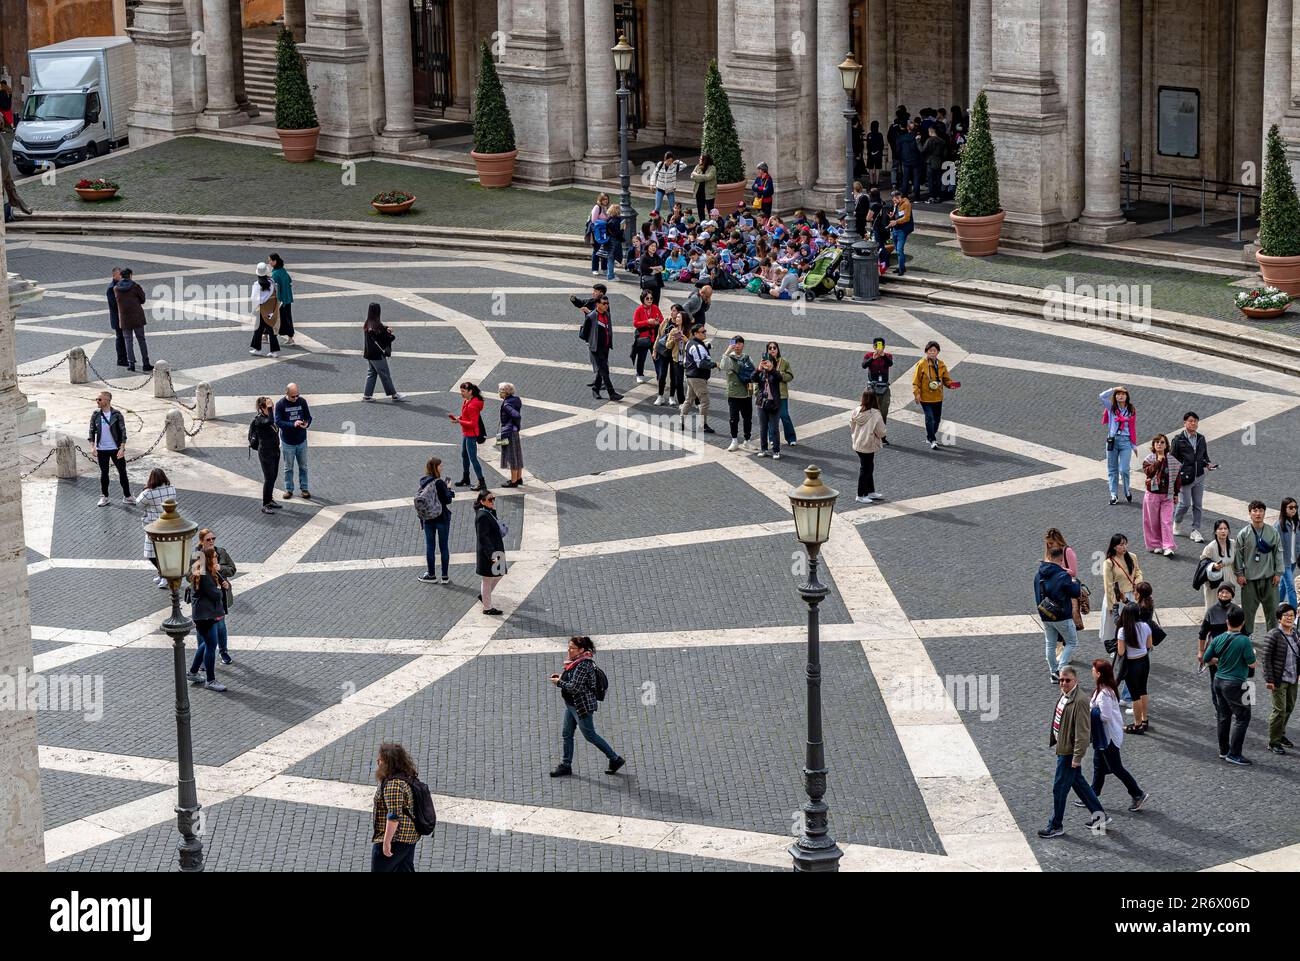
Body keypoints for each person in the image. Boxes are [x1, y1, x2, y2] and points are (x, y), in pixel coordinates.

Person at [1038, 667, 1108, 838]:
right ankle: (1100, 817)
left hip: (1069, 753)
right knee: (1080, 785)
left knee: (1059, 788)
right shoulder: (1065, 695)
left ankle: (1056, 825)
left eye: (1067, 680)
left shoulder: (1080, 701)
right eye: (1061, 680)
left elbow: (1083, 733)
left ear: (1075, 680)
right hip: (1064, 748)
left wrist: (1077, 757)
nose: (1063, 683)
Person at [549, 636, 625, 777]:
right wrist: (561, 677)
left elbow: (575, 687)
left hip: (581, 706)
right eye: (569, 647)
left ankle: (615, 759)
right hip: (571, 704)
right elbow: (573, 679)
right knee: (567, 734)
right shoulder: (574, 662)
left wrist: (558, 682)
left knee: (590, 735)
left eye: (572, 648)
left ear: (581, 650)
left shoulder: (584, 664)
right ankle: (566, 765)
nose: (569, 650)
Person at [1083, 659, 1149, 812]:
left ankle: (1137, 793)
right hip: (1104, 736)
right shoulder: (1102, 690)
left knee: (1116, 767)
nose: (1091, 671)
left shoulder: (1104, 693)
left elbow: (1105, 716)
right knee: (1098, 765)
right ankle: (1092, 795)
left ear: (1099, 674)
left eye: (1093, 670)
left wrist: (1090, 713)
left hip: (1109, 737)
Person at [1202, 605, 1257, 764]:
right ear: (1243, 622)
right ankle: (1234, 753)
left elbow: (1206, 658)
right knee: (1243, 718)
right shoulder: (1244, 641)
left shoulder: (1218, 639)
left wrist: (1219, 660)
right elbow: (1252, 664)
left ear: (1227, 622)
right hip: (1236, 683)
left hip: (1218, 681)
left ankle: (1223, 750)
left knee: (1223, 716)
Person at [1235, 500, 1283, 636]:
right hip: (1249, 580)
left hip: (1270, 579)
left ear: (1264, 513)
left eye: (1261, 511)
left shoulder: (1272, 532)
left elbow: (1279, 552)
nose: (1258, 514)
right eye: (1255, 511)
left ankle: (1272, 639)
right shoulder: (1243, 534)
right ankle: (1246, 639)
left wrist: (1278, 573)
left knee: (1273, 612)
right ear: (1250, 513)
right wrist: (1239, 574)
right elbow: (1238, 555)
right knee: (1247, 613)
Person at [371, 742, 421, 872]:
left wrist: (386, 843)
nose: (378, 762)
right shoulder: (405, 776)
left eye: (380, 759)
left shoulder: (393, 786)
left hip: (397, 839)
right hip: (409, 836)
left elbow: (393, 817)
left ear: (388, 763)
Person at [1036, 545, 1082, 683]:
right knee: (1072, 642)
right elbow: (1075, 592)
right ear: (1061, 559)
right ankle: (1062, 669)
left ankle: (1053, 672)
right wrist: (1075, 583)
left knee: (1050, 644)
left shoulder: (1038, 574)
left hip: (1045, 614)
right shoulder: (1063, 575)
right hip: (1062, 615)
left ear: (1048, 557)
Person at [184, 546, 228, 692]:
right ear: (209, 559)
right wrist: (222, 588)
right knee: (210, 646)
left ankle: (193, 672)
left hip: (203, 616)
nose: (217, 558)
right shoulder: (206, 576)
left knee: (206, 643)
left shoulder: (201, 573)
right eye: (215, 556)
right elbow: (215, 595)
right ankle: (210, 680)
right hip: (207, 616)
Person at [190, 527, 235, 665]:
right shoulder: (197, 556)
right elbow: (189, 576)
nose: (211, 541)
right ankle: (202, 658)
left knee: (221, 626)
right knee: (202, 631)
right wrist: (204, 575)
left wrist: (220, 568)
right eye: (208, 539)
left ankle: (223, 651)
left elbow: (232, 569)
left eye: (213, 539)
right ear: (201, 541)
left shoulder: (221, 552)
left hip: (219, 597)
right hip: (205, 599)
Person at [1171, 411, 1216, 542]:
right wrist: (1175, 478)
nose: (1193, 423)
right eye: (1190, 421)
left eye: (1195, 421)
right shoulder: (1178, 440)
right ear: (1184, 423)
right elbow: (1173, 460)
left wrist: (1208, 464)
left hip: (1199, 476)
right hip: (1185, 478)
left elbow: (1204, 456)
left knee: (1198, 505)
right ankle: (1177, 521)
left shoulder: (1201, 438)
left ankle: (1195, 530)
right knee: (1185, 504)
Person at [1261, 602, 1300, 755]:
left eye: (1292, 615)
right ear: (1279, 618)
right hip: (1279, 679)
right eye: (1286, 615)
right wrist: (1269, 680)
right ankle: (1273, 741)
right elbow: (1266, 658)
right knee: (1279, 710)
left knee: (1289, 708)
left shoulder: (1295, 632)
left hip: (1293, 678)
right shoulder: (1274, 635)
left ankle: (1281, 734)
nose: (1289, 618)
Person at [1100, 533, 1144, 652]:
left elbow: (1138, 572)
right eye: (1121, 544)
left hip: (1131, 596)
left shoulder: (1132, 557)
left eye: (1125, 544)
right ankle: (1114, 648)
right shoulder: (1109, 563)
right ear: (1114, 546)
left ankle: (1129, 645)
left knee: (1131, 623)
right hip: (1117, 598)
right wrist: (1111, 605)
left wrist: (1138, 582)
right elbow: (1108, 585)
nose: (1124, 547)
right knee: (1115, 624)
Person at [910, 340, 957, 449]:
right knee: (929, 418)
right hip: (925, 397)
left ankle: (930, 435)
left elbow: (946, 379)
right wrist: (916, 394)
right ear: (926, 352)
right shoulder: (922, 364)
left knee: (937, 419)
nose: (932, 352)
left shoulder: (941, 364)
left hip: (937, 397)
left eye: (934, 351)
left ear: (938, 352)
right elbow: (916, 381)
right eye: (930, 351)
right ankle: (932, 440)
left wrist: (951, 385)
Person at [135, 469, 178, 588]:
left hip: (153, 526)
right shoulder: (172, 489)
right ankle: (162, 574)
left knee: (151, 553)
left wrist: (145, 489)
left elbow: (138, 503)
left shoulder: (149, 493)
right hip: (169, 524)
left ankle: (165, 575)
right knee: (164, 552)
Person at [1140, 433, 1181, 556]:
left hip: (1167, 495)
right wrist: (1158, 461)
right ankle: (1156, 544)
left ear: (1166, 445)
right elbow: (1149, 472)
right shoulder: (1149, 460)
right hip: (1152, 494)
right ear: (1153, 445)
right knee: (1153, 521)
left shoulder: (1173, 461)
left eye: (1162, 442)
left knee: (1167, 521)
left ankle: (1168, 546)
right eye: (1157, 442)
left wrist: (1176, 493)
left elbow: (1177, 478)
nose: (1159, 444)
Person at [89, 391, 131, 507]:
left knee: (122, 472)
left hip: (115, 449)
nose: (97, 401)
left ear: (107, 400)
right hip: (102, 449)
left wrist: (122, 448)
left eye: (100, 399)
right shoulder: (95, 414)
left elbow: (123, 432)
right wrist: (93, 447)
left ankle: (127, 496)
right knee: (104, 473)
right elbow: (91, 431)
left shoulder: (117, 414)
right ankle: (104, 496)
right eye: (96, 399)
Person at [1114, 602, 1152, 734]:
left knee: (1135, 695)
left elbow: (1120, 652)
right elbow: (1149, 645)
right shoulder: (1145, 626)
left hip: (1131, 664)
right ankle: (1144, 719)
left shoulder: (1122, 630)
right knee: (1143, 690)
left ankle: (1137, 725)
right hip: (1144, 661)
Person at [417, 456, 454, 584]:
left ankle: (431, 574)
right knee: (444, 547)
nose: (442, 467)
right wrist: (448, 488)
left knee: (430, 547)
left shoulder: (424, 482)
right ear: (435, 467)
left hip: (428, 519)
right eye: (440, 466)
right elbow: (447, 499)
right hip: (442, 518)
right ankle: (444, 576)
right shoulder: (439, 482)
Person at [579, 293, 622, 401]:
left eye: (607, 303)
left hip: (605, 347)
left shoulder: (607, 314)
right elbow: (584, 334)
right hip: (596, 348)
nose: (606, 305)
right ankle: (611, 393)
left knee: (601, 370)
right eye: (604, 303)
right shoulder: (591, 317)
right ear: (597, 304)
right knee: (604, 370)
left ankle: (595, 389)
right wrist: (591, 342)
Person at [274, 383, 313, 500]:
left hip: (301, 440)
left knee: (303, 467)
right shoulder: (280, 404)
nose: (296, 398)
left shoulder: (302, 401)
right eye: (293, 396)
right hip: (288, 442)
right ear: (286, 394)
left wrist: (306, 423)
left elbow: (308, 417)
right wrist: (293, 424)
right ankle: (289, 489)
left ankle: (304, 488)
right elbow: (278, 422)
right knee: (288, 468)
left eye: (297, 395)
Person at [1100, 386, 1137, 505]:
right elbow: (1101, 396)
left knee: (1124, 469)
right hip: (1112, 441)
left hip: (1125, 441)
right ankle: (1113, 494)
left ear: (1127, 396)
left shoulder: (1131, 410)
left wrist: (1134, 445)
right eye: (1118, 394)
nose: (1120, 396)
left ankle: (1127, 490)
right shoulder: (1111, 408)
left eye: (1123, 394)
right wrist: (1114, 388)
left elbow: (1132, 428)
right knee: (1112, 470)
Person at [361, 302, 404, 401]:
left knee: (371, 374)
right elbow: (385, 339)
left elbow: (380, 331)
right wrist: (391, 334)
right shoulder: (377, 326)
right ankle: (394, 395)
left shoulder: (367, 323)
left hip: (369, 354)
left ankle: (367, 395)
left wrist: (385, 329)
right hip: (377, 355)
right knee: (385, 374)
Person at [850, 389, 887, 502]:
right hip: (869, 444)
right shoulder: (875, 414)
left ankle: (870, 491)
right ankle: (861, 495)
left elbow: (851, 425)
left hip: (858, 443)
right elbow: (881, 432)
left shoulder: (856, 411)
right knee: (866, 469)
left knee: (868, 467)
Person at [449, 381, 487, 490]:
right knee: (464, 455)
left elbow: (472, 423)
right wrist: (459, 418)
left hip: (471, 434)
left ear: (470, 391)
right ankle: (466, 478)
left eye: (463, 391)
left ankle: (481, 482)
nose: (461, 393)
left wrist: (459, 421)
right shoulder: (467, 400)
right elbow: (467, 416)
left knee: (473, 458)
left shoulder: (472, 405)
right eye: (461, 391)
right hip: (467, 433)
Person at [475, 490, 507, 616]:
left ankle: (484, 596)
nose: (492, 501)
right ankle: (487, 607)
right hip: (490, 553)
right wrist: (491, 556)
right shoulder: (482, 516)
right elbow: (483, 538)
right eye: (489, 499)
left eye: (493, 498)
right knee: (487, 579)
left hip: (496, 549)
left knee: (499, 574)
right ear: (482, 501)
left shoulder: (489, 512)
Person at [248, 396, 282, 514]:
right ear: (262, 408)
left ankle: (270, 499)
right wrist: (270, 409)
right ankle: (265, 504)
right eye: (269, 407)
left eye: (272, 407)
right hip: (266, 453)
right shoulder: (259, 420)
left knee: (274, 477)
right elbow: (270, 422)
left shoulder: (269, 417)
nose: (272, 408)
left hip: (275, 451)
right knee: (268, 478)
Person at [720, 335, 755, 453]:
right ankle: (734, 440)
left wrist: (752, 389)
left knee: (747, 418)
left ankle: (747, 440)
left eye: (739, 343)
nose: (737, 346)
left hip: (746, 393)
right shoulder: (729, 358)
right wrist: (727, 351)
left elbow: (753, 373)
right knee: (733, 419)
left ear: (743, 345)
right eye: (735, 343)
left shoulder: (747, 357)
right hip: (734, 394)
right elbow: (723, 366)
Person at [114, 268, 152, 372]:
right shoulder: (135, 287)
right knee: (141, 340)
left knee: (128, 341)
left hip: (125, 318)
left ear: (121, 276)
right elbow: (143, 299)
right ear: (130, 275)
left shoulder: (116, 288)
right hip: (137, 317)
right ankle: (146, 363)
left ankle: (131, 364)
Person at [680, 323, 716, 434]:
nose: (705, 333)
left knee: (689, 400)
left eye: (705, 331)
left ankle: (681, 422)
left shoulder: (690, 343)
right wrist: (714, 364)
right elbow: (701, 363)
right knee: (704, 402)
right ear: (695, 333)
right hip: (698, 377)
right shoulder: (697, 346)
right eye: (703, 332)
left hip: (691, 376)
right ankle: (703, 425)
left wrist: (707, 346)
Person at [1199, 583, 1238, 681]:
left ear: (1232, 595)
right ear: (1218, 594)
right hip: (1215, 650)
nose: (1224, 595)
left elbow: (1244, 633)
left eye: (1227, 592)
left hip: (1232, 649)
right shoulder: (1211, 611)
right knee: (1215, 680)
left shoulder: (1237, 611)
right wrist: (1201, 651)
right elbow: (1203, 633)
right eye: (1222, 592)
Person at [653, 305, 687, 408]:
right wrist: (655, 349)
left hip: (675, 354)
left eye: (674, 311)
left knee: (674, 376)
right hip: (664, 351)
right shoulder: (666, 321)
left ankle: (672, 396)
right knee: (662, 374)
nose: (672, 313)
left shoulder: (684, 327)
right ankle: (660, 395)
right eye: (671, 311)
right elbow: (659, 335)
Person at [764, 341, 796, 446]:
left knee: (784, 415)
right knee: (771, 418)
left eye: (774, 348)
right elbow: (760, 377)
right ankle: (772, 438)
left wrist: (781, 375)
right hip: (770, 395)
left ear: (778, 349)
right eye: (770, 348)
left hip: (781, 394)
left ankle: (791, 438)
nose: (772, 349)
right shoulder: (764, 363)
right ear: (767, 350)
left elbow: (790, 376)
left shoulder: (784, 362)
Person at [1199, 519, 1235, 610]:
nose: (1223, 531)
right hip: (1215, 579)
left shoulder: (1233, 544)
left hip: (1229, 577)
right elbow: (1203, 563)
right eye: (1220, 529)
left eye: (1225, 528)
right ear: (1215, 531)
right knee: (1213, 604)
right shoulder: (1210, 547)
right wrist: (1213, 566)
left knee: (1229, 605)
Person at [753, 352, 784, 459]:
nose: (766, 363)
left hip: (774, 404)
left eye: (768, 361)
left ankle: (776, 450)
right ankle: (764, 449)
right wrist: (758, 369)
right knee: (763, 428)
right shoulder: (761, 373)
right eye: (764, 361)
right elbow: (752, 378)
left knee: (774, 428)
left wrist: (771, 369)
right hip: (762, 403)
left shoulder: (775, 373)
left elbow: (779, 378)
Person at [862, 337, 893, 437]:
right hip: (872, 387)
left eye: (880, 346)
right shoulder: (868, 355)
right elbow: (864, 365)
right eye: (876, 346)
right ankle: (870, 433)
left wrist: (883, 356)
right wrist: (873, 358)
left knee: (883, 412)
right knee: (869, 411)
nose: (878, 348)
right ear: (873, 346)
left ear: (884, 347)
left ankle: (882, 435)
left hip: (884, 387)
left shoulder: (888, 356)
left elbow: (890, 363)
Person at [249, 262, 280, 358]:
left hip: (261, 309)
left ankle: (257, 349)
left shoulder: (257, 284)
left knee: (258, 329)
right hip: (271, 308)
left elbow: (254, 298)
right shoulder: (271, 282)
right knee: (271, 329)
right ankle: (274, 351)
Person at [631, 289, 662, 384]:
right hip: (643, 337)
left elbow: (661, 318)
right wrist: (647, 322)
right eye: (647, 298)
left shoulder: (655, 307)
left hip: (654, 337)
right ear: (643, 299)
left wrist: (657, 322)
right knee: (641, 357)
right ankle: (639, 374)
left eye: (651, 298)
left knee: (656, 357)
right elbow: (635, 323)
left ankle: (660, 376)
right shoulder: (639, 310)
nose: (649, 300)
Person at [497, 383, 524, 488]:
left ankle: (513, 481)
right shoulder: (516, 399)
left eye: (499, 391)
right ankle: (518, 478)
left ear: (504, 392)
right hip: (514, 431)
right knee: (517, 454)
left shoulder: (506, 404)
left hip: (509, 432)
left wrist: (511, 424)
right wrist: (517, 426)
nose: (498, 393)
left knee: (512, 456)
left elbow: (516, 415)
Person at [268, 253, 295, 345]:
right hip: (287, 298)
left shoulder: (275, 274)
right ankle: (290, 338)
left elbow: (274, 288)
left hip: (281, 300)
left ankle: (266, 335)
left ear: (275, 261)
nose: (269, 262)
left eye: (270, 260)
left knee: (274, 318)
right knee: (287, 318)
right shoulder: (283, 271)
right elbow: (290, 281)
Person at [1278, 498, 1300, 609]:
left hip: (1293, 560)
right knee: (1290, 586)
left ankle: (1277, 603)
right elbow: (1276, 546)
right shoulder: (1279, 525)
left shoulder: (1297, 523)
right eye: (1290, 507)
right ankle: (1294, 612)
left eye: (1295, 507)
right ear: (1284, 508)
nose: (1294, 510)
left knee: (1283, 584)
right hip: (1283, 561)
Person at [887, 189, 914, 275]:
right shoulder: (897, 204)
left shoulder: (906, 204)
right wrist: (892, 216)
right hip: (896, 228)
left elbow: (906, 218)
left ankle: (901, 269)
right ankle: (901, 267)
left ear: (899, 197)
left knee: (899, 250)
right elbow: (898, 215)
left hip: (902, 229)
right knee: (897, 249)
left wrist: (896, 221)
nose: (893, 201)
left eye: (895, 200)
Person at [106, 267, 127, 367]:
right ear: (114, 276)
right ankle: (121, 359)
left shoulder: (121, 285)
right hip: (117, 318)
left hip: (122, 317)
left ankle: (125, 357)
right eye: (120, 274)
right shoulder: (111, 288)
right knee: (120, 338)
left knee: (124, 338)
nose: (121, 276)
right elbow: (114, 304)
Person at [921, 126, 946, 203]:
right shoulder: (942, 141)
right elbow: (945, 153)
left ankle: (932, 196)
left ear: (930, 132)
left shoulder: (929, 140)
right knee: (938, 180)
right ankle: (938, 196)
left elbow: (923, 150)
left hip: (930, 161)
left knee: (931, 180)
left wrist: (918, 143)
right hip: (939, 161)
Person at [588, 193, 610, 274]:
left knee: (605, 250)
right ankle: (595, 269)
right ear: (600, 199)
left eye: (607, 199)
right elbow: (594, 221)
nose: (606, 201)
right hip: (597, 232)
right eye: (604, 199)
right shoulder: (597, 207)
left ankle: (604, 268)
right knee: (596, 250)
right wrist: (604, 222)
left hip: (605, 232)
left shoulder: (607, 207)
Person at [691, 154, 717, 220]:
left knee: (710, 211)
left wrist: (697, 175)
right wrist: (703, 177)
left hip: (709, 194)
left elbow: (709, 177)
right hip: (699, 193)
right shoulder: (698, 166)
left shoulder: (712, 168)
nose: (699, 160)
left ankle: (712, 224)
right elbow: (692, 176)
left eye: (700, 159)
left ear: (704, 160)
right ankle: (702, 223)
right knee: (700, 211)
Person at [603, 204, 625, 281]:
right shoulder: (616, 221)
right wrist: (623, 229)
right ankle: (610, 276)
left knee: (610, 258)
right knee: (611, 258)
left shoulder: (608, 219)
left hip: (608, 240)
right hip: (614, 241)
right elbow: (617, 233)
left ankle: (610, 274)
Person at [865, 120, 884, 186]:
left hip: (870, 154)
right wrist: (877, 151)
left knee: (870, 168)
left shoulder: (869, 135)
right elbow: (882, 145)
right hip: (878, 154)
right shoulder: (880, 135)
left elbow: (868, 145)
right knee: (877, 168)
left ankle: (871, 182)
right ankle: (876, 182)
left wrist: (871, 152)